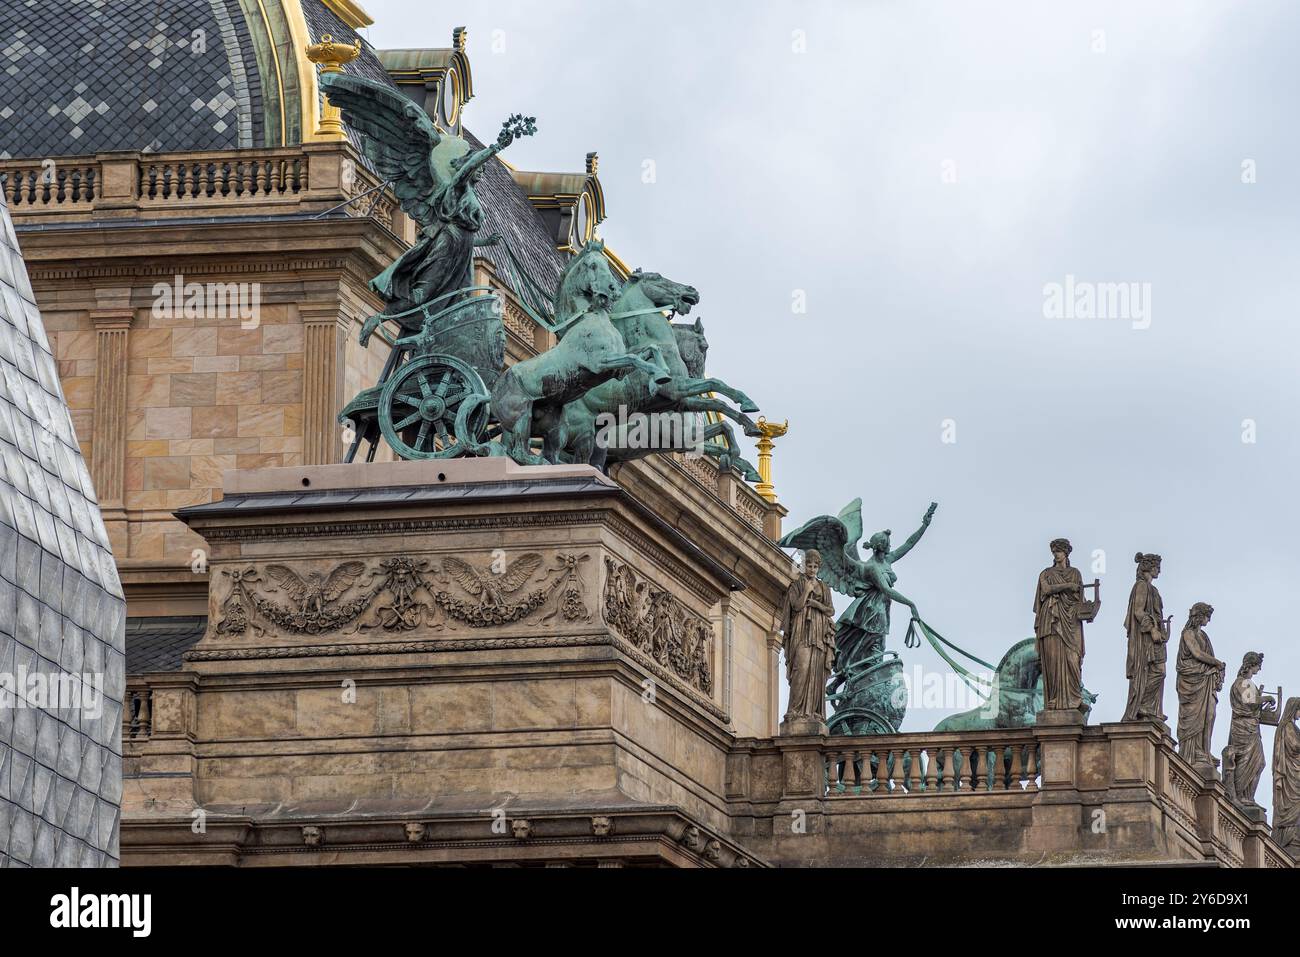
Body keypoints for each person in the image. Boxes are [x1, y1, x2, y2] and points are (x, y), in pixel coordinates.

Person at [778, 550, 837, 727]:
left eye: (815, 566)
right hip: (801, 631)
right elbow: (795, 606)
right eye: (809, 566)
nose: (812, 569)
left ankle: (813, 712)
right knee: (801, 668)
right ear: (804, 566)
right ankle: (794, 711)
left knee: (816, 671)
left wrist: (815, 604)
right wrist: (806, 592)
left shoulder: (824, 587)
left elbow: (830, 610)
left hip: (819, 633)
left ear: (819, 568)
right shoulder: (797, 584)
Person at [1033, 539, 1086, 712]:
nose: (1056, 554)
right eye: (1054, 551)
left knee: (1072, 659)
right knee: (1053, 662)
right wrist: (1067, 586)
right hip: (1051, 622)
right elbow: (1046, 590)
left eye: (1059, 551)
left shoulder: (1075, 573)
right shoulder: (1045, 573)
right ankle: (1054, 700)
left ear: (1066, 553)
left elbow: (1080, 597)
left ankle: (1074, 699)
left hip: (1071, 621)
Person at [1175, 602, 1225, 773]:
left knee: (1210, 714)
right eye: (1206, 617)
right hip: (1192, 679)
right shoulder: (1188, 634)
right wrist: (1216, 662)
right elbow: (1196, 653)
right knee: (1195, 715)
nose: (1207, 621)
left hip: (1205, 679)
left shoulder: (1204, 636)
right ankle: (1192, 751)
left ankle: (1204, 750)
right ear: (1198, 616)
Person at [1123, 552, 1168, 722]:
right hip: (1144, 637)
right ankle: (1142, 705)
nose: (1159, 572)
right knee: (1150, 671)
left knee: (1159, 671)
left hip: (1155, 639)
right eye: (1157, 567)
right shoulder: (1141, 586)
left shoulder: (1153, 589)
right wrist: (1152, 629)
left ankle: (1149, 707)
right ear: (1149, 567)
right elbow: (1138, 611)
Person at [1272, 697, 1300, 853]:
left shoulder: (1293, 728)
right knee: (1292, 802)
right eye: (1299, 710)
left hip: (1295, 769)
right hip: (1290, 773)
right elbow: (1295, 746)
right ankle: (1289, 837)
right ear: (1294, 709)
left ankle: (1295, 836)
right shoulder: (1287, 726)